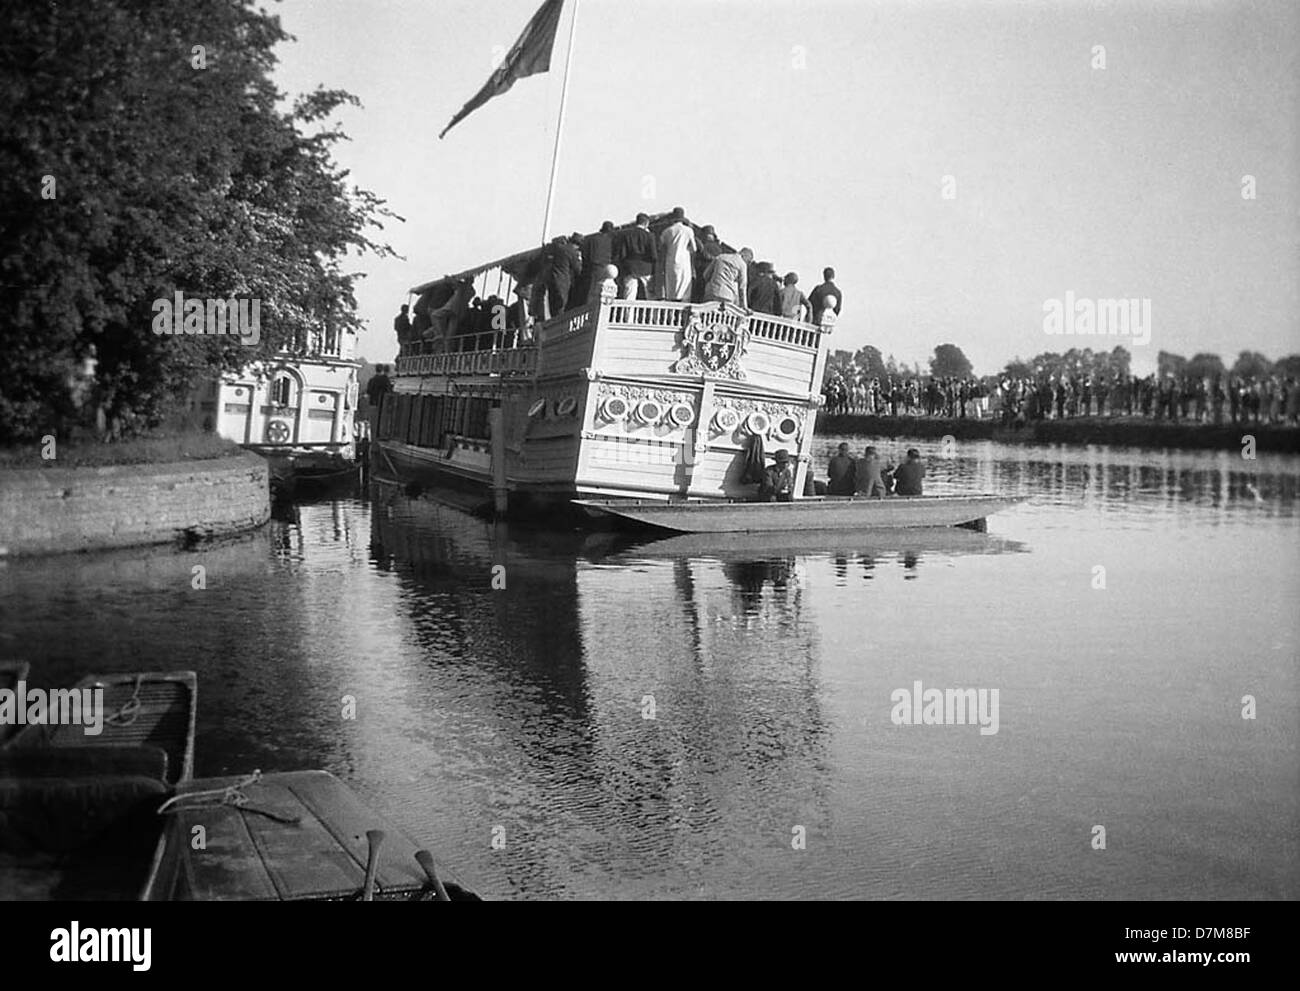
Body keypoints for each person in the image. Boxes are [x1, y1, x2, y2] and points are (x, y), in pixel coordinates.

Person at [614, 213, 658, 300]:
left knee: (629, 294)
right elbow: (654, 255)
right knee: (650, 294)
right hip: (646, 268)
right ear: (646, 223)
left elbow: (622, 253)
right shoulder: (650, 236)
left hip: (630, 267)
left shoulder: (627, 234)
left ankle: (628, 313)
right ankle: (652, 313)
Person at [658, 207, 696, 302]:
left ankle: (671, 311)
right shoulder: (688, 231)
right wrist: (687, 249)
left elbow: (661, 246)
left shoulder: (667, 231)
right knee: (684, 288)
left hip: (670, 260)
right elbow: (694, 248)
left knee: (671, 287)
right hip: (684, 261)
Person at [543, 234, 581, 317]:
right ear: (577, 245)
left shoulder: (557, 249)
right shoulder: (571, 251)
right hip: (562, 281)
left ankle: (553, 321)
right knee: (561, 304)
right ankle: (558, 323)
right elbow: (577, 269)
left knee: (552, 304)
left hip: (551, 279)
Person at [582, 221, 616, 301]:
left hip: (593, 267)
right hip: (607, 267)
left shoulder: (592, 239)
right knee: (604, 291)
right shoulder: (611, 241)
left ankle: (589, 307)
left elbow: (585, 254)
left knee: (592, 289)